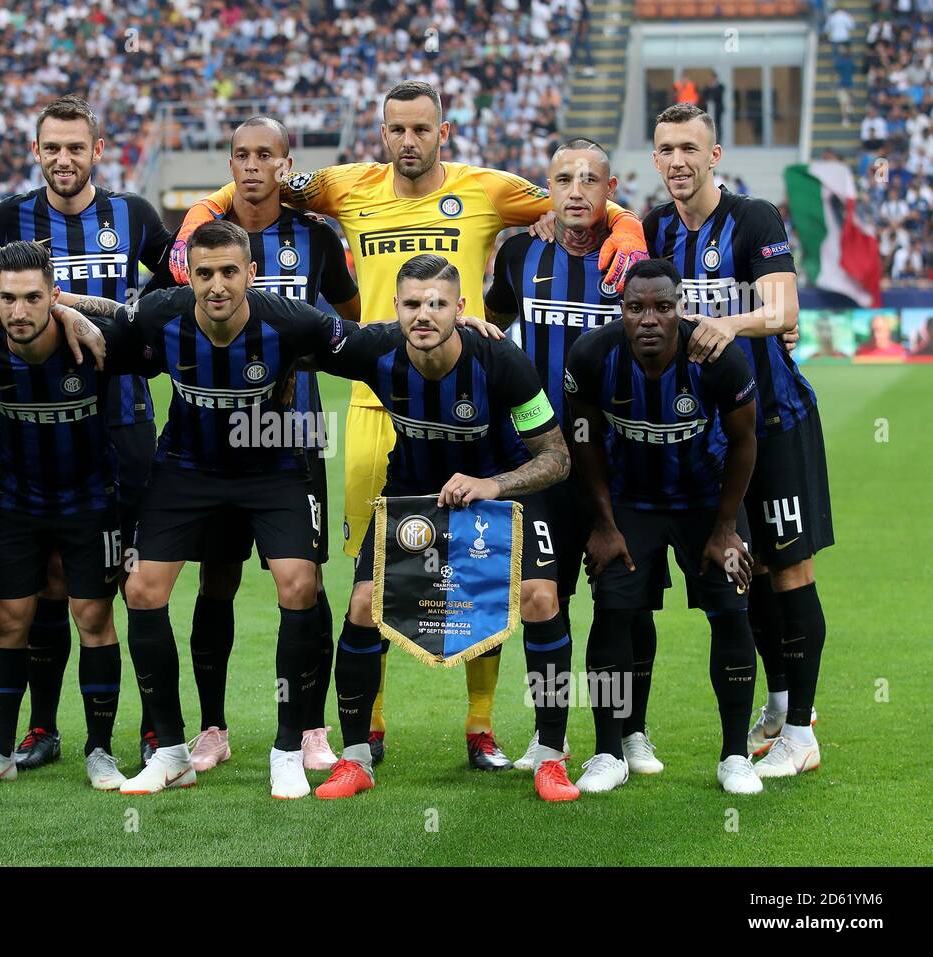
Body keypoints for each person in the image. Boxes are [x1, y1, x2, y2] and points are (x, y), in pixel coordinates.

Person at [171, 80, 647, 770]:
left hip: (474, 404)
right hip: (379, 405)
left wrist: (628, 229)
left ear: (443, 133)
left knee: (485, 567)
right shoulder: (345, 185)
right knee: (375, 576)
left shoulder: (489, 188)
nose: (409, 141)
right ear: (382, 131)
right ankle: (373, 729)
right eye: (397, 129)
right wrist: (195, 216)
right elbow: (257, 179)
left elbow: (584, 200)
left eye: (422, 129)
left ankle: (481, 724)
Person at [72, 220, 356, 799]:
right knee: (143, 590)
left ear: (251, 273)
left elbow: (369, 341)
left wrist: (461, 325)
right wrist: (64, 306)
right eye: (205, 273)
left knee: (300, 585)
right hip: (186, 468)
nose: (217, 285)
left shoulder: (289, 320)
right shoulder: (163, 313)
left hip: (272, 461)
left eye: (230, 272)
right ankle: (173, 751)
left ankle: (287, 750)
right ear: (190, 277)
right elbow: (111, 327)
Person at [312, 254, 578, 802]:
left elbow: (556, 457)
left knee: (540, 597)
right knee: (363, 604)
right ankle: (356, 757)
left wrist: (493, 485)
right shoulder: (375, 349)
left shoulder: (501, 360)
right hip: (412, 498)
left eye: (438, 303)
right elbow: (295, 334)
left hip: (499, 497)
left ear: (462, 307)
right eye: (413, 304)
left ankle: (551, 755)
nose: (424, 315)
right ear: (395, 308)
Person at [139, 115, 360, 774]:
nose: (254, 164)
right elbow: (158, 319)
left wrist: (297, 367)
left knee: (305, 580)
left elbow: (345, 322)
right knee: (218, 578)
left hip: (293, 431)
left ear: (285, 161)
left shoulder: (316, 237)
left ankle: (312, 726)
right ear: (229, 162)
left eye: (267, 154)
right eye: (242, 154)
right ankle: (211, 727)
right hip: (207, 437)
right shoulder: (196, 240)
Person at [0, 95, 174, 771]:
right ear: (37, 153)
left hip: (124, 425)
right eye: (50, 148)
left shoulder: (135, 216)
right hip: (42, 428)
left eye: (76, 147)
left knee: (139, 582)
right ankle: (42, 728)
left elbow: (173, 285)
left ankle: (155, 728)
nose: (63, 160)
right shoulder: (10, 219)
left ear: (99, 151)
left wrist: (123, 315)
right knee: (54, 584)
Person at [645, 104, 830, 779]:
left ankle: (804, 732)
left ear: (715, 154)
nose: (678, 161)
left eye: (690, 147)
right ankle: (780, 708)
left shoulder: (753, 220)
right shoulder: (656, 228)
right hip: (713, 438)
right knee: (739, 570)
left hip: (775, 421)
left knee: (790, 570)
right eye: (666, 148)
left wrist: (735, 322)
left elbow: (784, 309)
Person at [485, 138, 667, 776]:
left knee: (626, 601)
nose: (577, 190)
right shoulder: (520, 253)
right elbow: (492, 323)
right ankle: (550, 735)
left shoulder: (634, 265)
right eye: (564, 178)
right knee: (546, 597)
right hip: (544, 459)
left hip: (622, 461)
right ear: (549, 187)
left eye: (591, 179)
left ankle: (629, 733)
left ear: (609, 189)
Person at [565, 258, 763, 795]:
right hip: (630, 502)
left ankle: (735, 756)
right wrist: (603, 523)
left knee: (730, 613)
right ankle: (609, 751)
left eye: (662, 307)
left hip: (707, 502)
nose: (648, 319)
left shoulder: (719, 359)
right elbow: (582, 439)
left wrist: (726, 528)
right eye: (635, 308)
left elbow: (746, 442)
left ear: (682, 310)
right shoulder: (591, 355)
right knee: (613, 612)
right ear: (621, 311)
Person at [0, 242, 133, 792]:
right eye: (9, 299)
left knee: (93, 619)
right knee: (8, 623)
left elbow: (141, 317)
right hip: (17, 502)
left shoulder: (96, 345)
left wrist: (77, 310)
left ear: (54, 295)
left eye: (34, 298)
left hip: (92, 501)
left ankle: (99, 750)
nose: (20, 311)